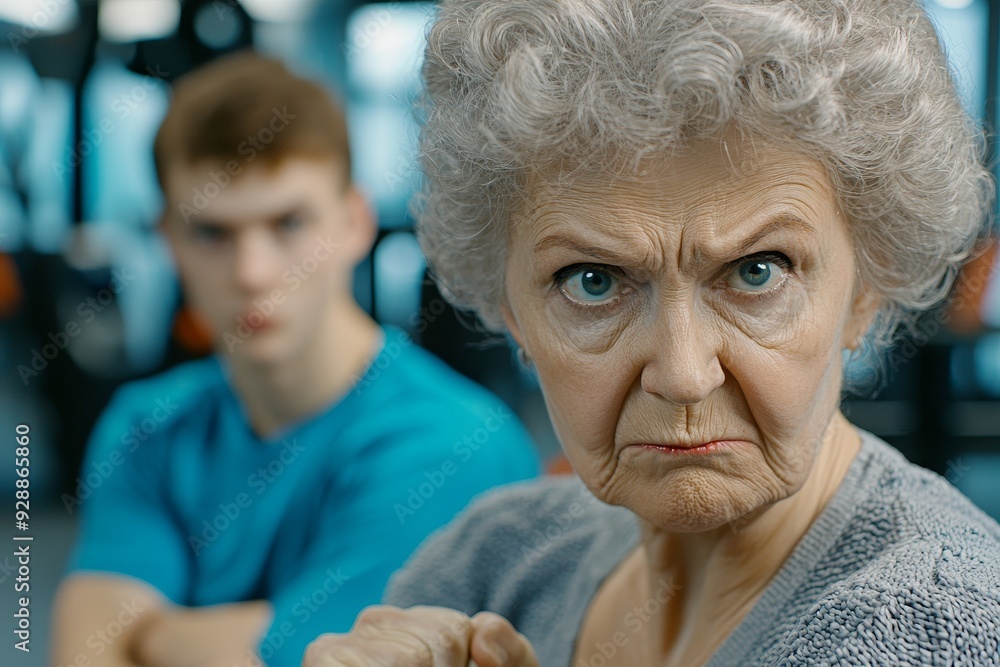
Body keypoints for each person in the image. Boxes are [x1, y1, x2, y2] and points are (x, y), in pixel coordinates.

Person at [302, 1, 1000, 665]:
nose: (684, 371)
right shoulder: (497, 560)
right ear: (511, 309)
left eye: (757, 271)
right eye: (593, 281)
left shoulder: (938, 618)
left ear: (865, 290)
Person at [50, 51, 540, 667]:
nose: (252, 273)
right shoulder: (146, 426)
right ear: (166, 240)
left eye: (288, 222)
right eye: (211, 233)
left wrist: (154, 636)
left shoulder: (451, 446)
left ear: (354, 222)